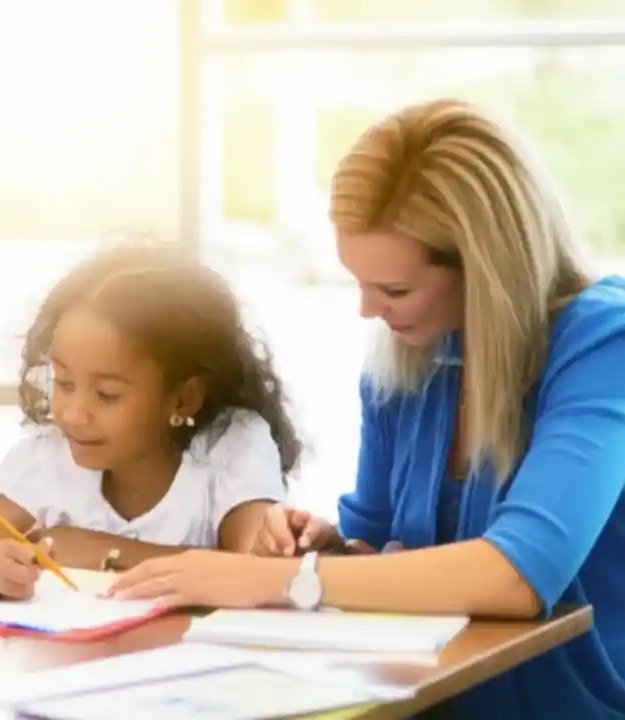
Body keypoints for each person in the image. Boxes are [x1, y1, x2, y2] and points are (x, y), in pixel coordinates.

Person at [108, 99, 625, 717]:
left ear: (488, 269)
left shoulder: (603, 344)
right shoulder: (406, 364)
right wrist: (322, 549)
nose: (367, 310)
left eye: (394, 289)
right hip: (425, 700)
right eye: (358, 282)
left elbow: (517, 575)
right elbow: (377, 547)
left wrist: (275, 582)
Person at [0, 244, 300, 600]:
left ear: (183, 398)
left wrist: (92, 550)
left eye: (107, 394)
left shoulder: (231, 445)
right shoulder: (49, 456)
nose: (74, 413)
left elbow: (255, 572)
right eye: (63, 383)